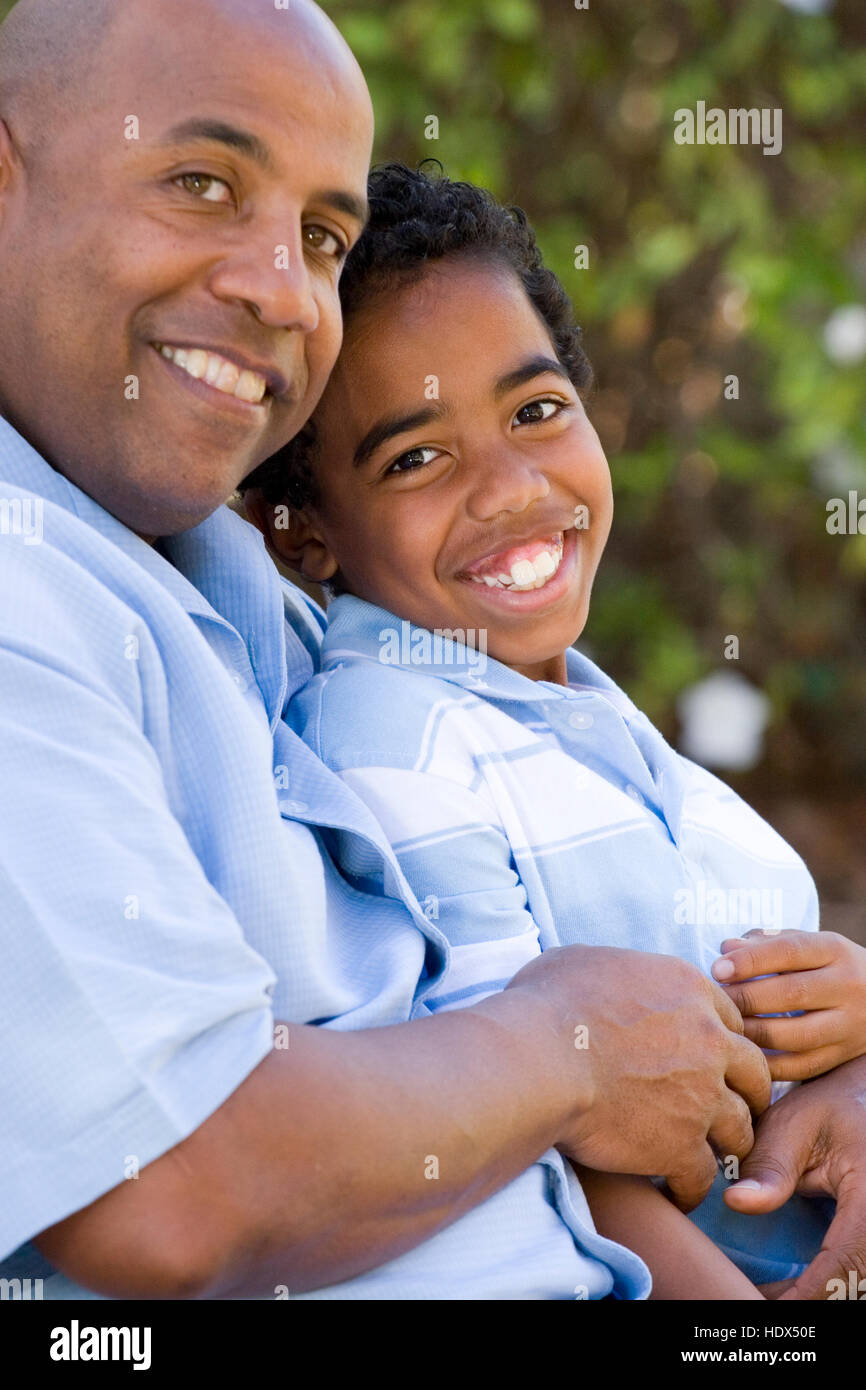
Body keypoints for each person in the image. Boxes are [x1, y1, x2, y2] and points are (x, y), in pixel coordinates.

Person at [0, 0, 861, 1303]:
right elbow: (163, 1191)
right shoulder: (40, 600)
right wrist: (565, 1055)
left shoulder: (216, 558)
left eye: (320, 235)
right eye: (200, 182)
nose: (281, 287)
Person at [247, 164, 865, 1295]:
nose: (509, 487)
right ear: (306, 536)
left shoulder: (567, 704)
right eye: (415, 457)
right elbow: (550, 1140)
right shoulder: (392, 737)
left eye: (535, 412)